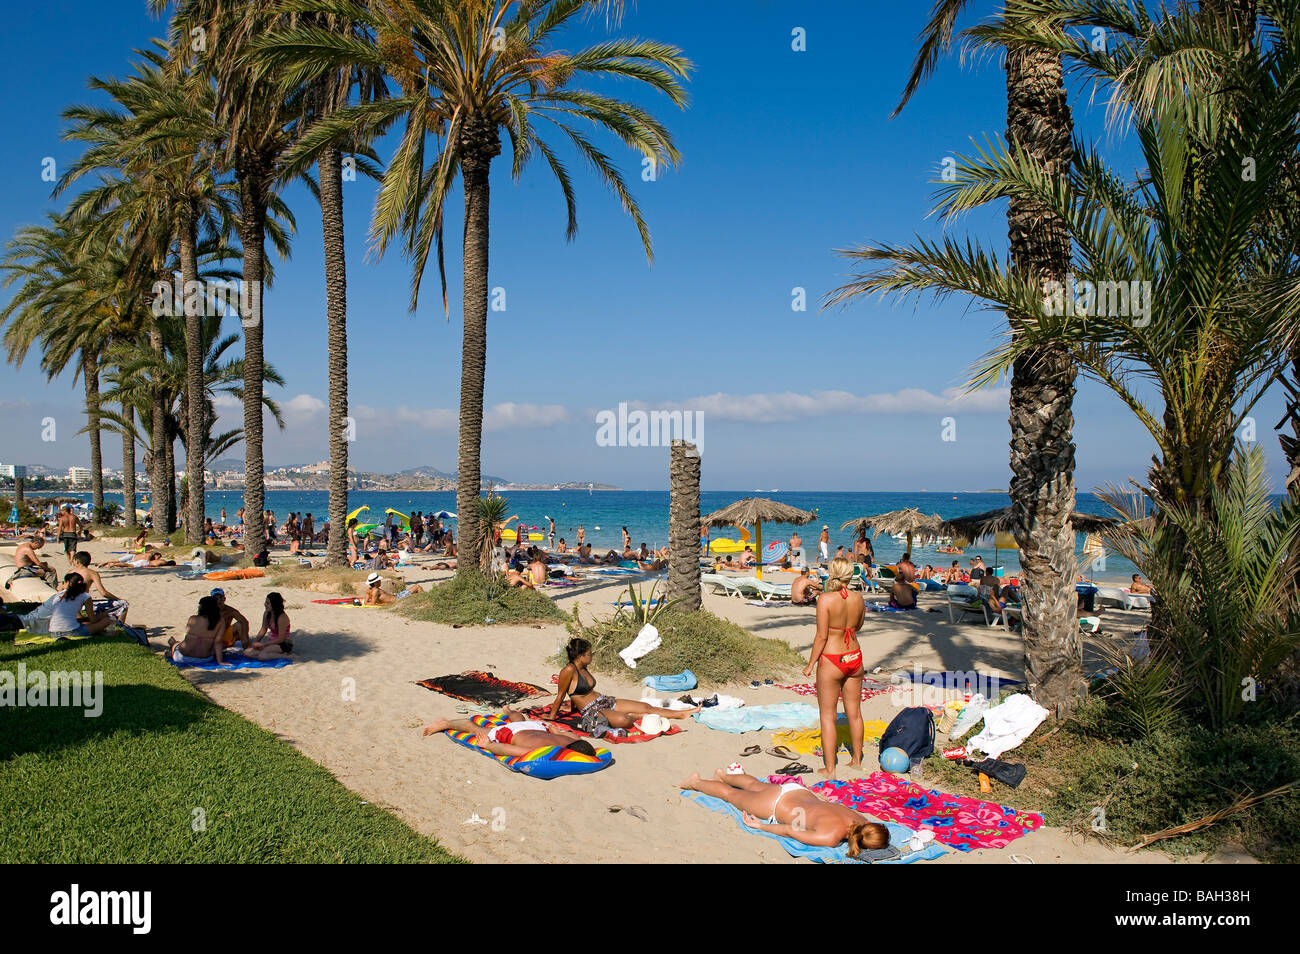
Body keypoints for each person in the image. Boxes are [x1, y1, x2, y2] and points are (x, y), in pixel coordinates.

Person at [681, 769, 888, 857]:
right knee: (730, 796)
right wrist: (762, 826)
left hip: (796, 791)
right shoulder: (831, 837)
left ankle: (724, 775)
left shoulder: (860, 818)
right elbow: (790, 830)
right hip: (774, 805)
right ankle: (696, 782)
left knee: (754, 784)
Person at [549, 637, 699, 737]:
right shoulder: (569, 670)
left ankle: (682, 713)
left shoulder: (583, 667)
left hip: (604, 700)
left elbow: (577, 693)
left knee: (646, 706)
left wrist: (572, 707)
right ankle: (637, 716)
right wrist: (551, 718)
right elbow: (561, 695)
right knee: (625, 721)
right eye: (589, 653)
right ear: (581, 656)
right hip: (593, 711)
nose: (592, 656)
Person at [802, 558, 867, 779]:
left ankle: (830, 768)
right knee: (855, 713)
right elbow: (857, 626)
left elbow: (821, 636)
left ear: (832, 573)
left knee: (827, 715)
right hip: (854, 656)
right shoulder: (859, 598)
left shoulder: (825, 599)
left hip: (832, 658)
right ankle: (857, 760)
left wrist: (811, 664)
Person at [421, 708, 598, 757]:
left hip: (537, 727)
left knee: (519, 720)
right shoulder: (543, 751)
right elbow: (507, 750)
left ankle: (508, 710)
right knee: (476, 729)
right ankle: (446, 723)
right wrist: (489, 744)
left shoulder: (572, 738)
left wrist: (552, 729)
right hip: (510, 734)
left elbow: (557, 729)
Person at [48, 573, 112, 639]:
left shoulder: (58, 595)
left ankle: (101, 633)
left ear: (66, 582)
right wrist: (100, 616)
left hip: (53, 632)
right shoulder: (85, 596)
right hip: (72, 632)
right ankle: (103, 633)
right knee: (107, 620)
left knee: (87, 624)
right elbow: (93, 620)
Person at [167, 595, 227, 665]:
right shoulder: (221, 621)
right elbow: (218, 642)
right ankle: (173, 645)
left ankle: (172, 645)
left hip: (182, 657)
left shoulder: (192, 619)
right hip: (205, 659)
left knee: (176, 644)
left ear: (202, 608)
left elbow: (187, 636)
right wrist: (220, 661)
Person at [69, 552, 127, 622]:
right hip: (85, 605)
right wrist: (118, 599)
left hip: (72, 604)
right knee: (124, 604)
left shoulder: (69, 572)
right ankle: (120, 627)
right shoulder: (92, 573)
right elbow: (103, 593)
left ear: (77, 561)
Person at [244, 592, 293, 659]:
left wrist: (264, 644)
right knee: (247, 652)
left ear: (274, 605)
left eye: (268, 603)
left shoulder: (282, 618)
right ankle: (269, 653)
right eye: (265, 602)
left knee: (262, 656)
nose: (265, 605)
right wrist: (255, 642)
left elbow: (281, 639)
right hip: (271, 642)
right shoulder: (267, 614)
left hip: (283, 644)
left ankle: (287, 656)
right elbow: (263, 629)